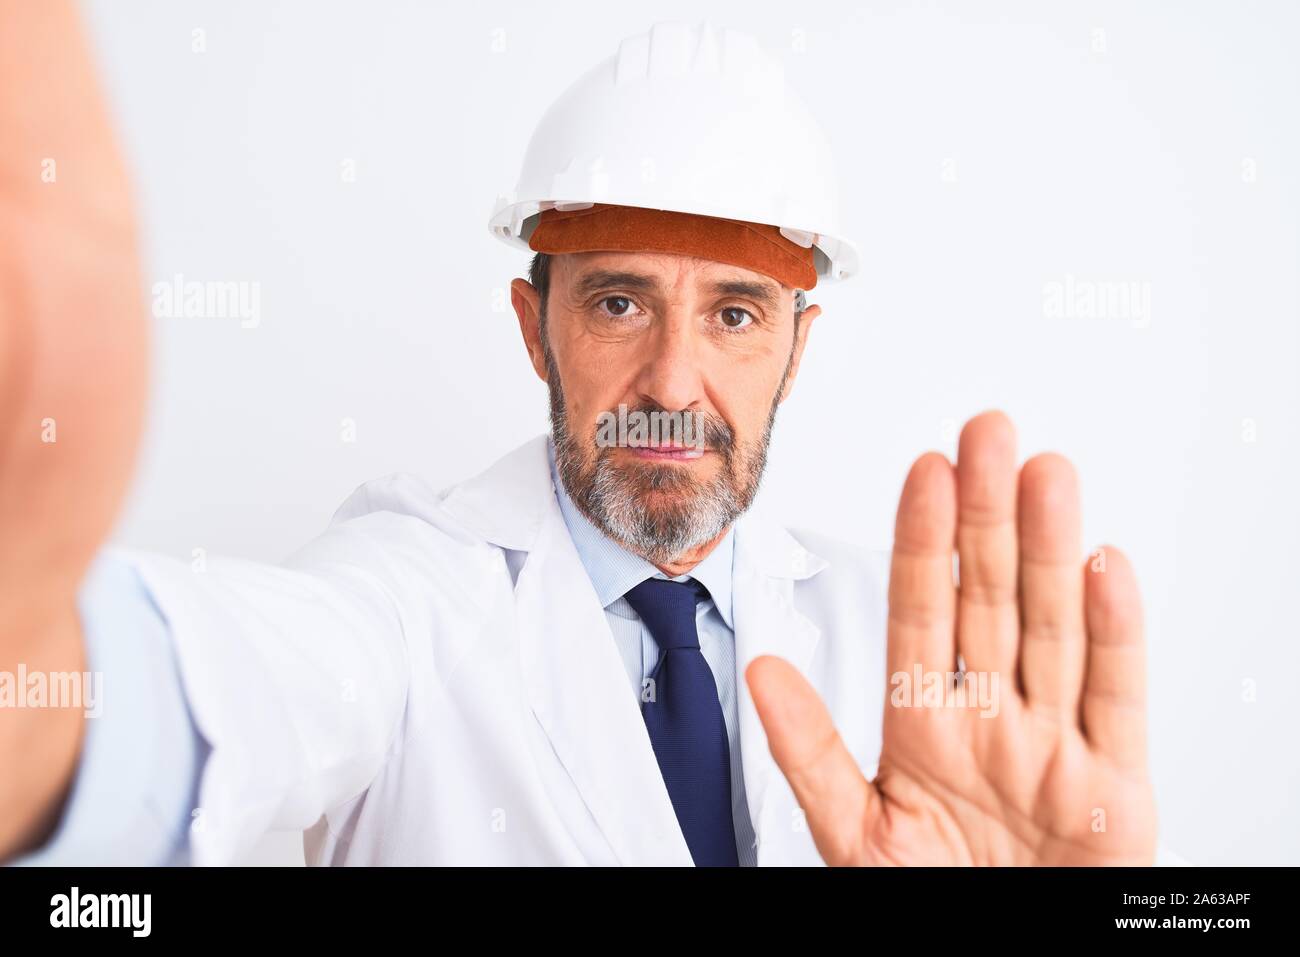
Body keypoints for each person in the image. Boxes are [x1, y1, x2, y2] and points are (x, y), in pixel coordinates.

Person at [1, 10, 1156, 866]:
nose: (671, 378)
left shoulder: (915, 655)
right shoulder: (409, 598)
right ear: (534, 327)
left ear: (797, 351)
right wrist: (30, 636)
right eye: (616, 302)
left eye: (735, 314)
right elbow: (224, 694)